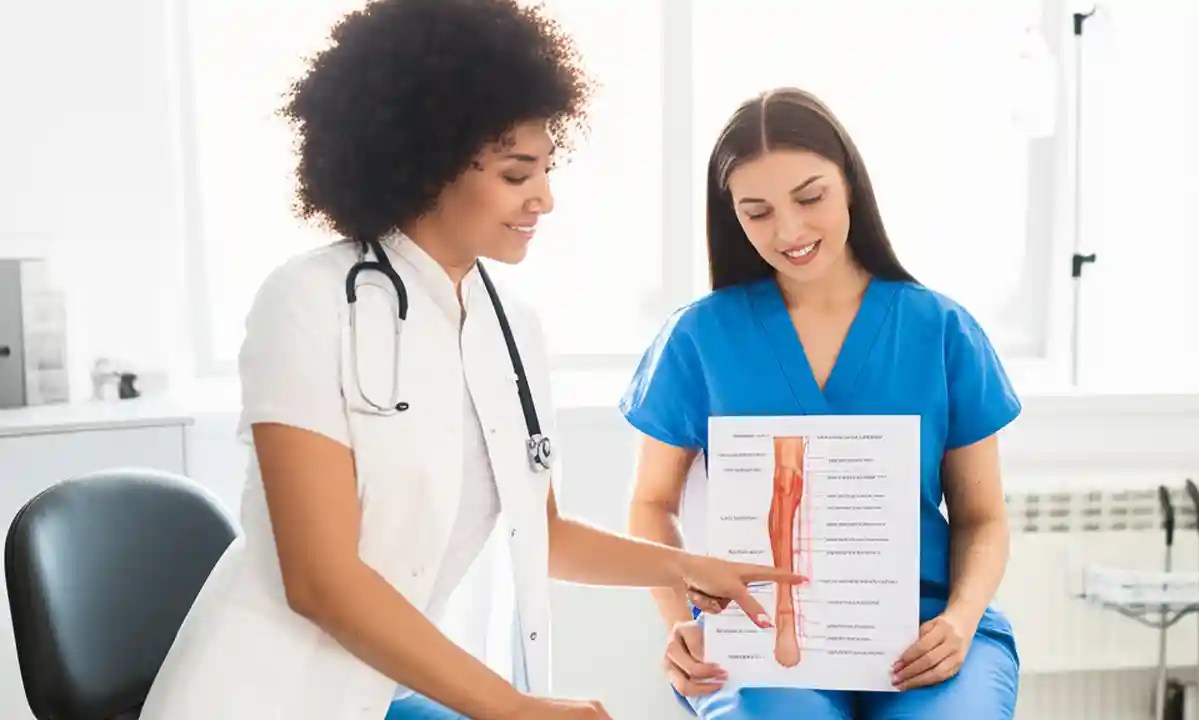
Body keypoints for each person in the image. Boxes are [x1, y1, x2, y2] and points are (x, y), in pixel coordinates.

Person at [138, 3, 801, 719]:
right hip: (259, 694)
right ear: (428, 163)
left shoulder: (509, 326)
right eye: (518, 175)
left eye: (547, 169)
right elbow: (319, 580)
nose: (544, 198)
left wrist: (685, 566)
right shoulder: (306, 302)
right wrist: (511, 707)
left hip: (374, 693)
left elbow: (542, 535)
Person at [622, 87, 1022, 719]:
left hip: (926, 624)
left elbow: (982, 517)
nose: (789, 230)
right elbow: (650, 505)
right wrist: (681, 622)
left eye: (810, 198)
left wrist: (962, 620)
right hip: (756, 633)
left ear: (850, 185)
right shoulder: (698, 338)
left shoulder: (941, 330)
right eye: (757, 212)